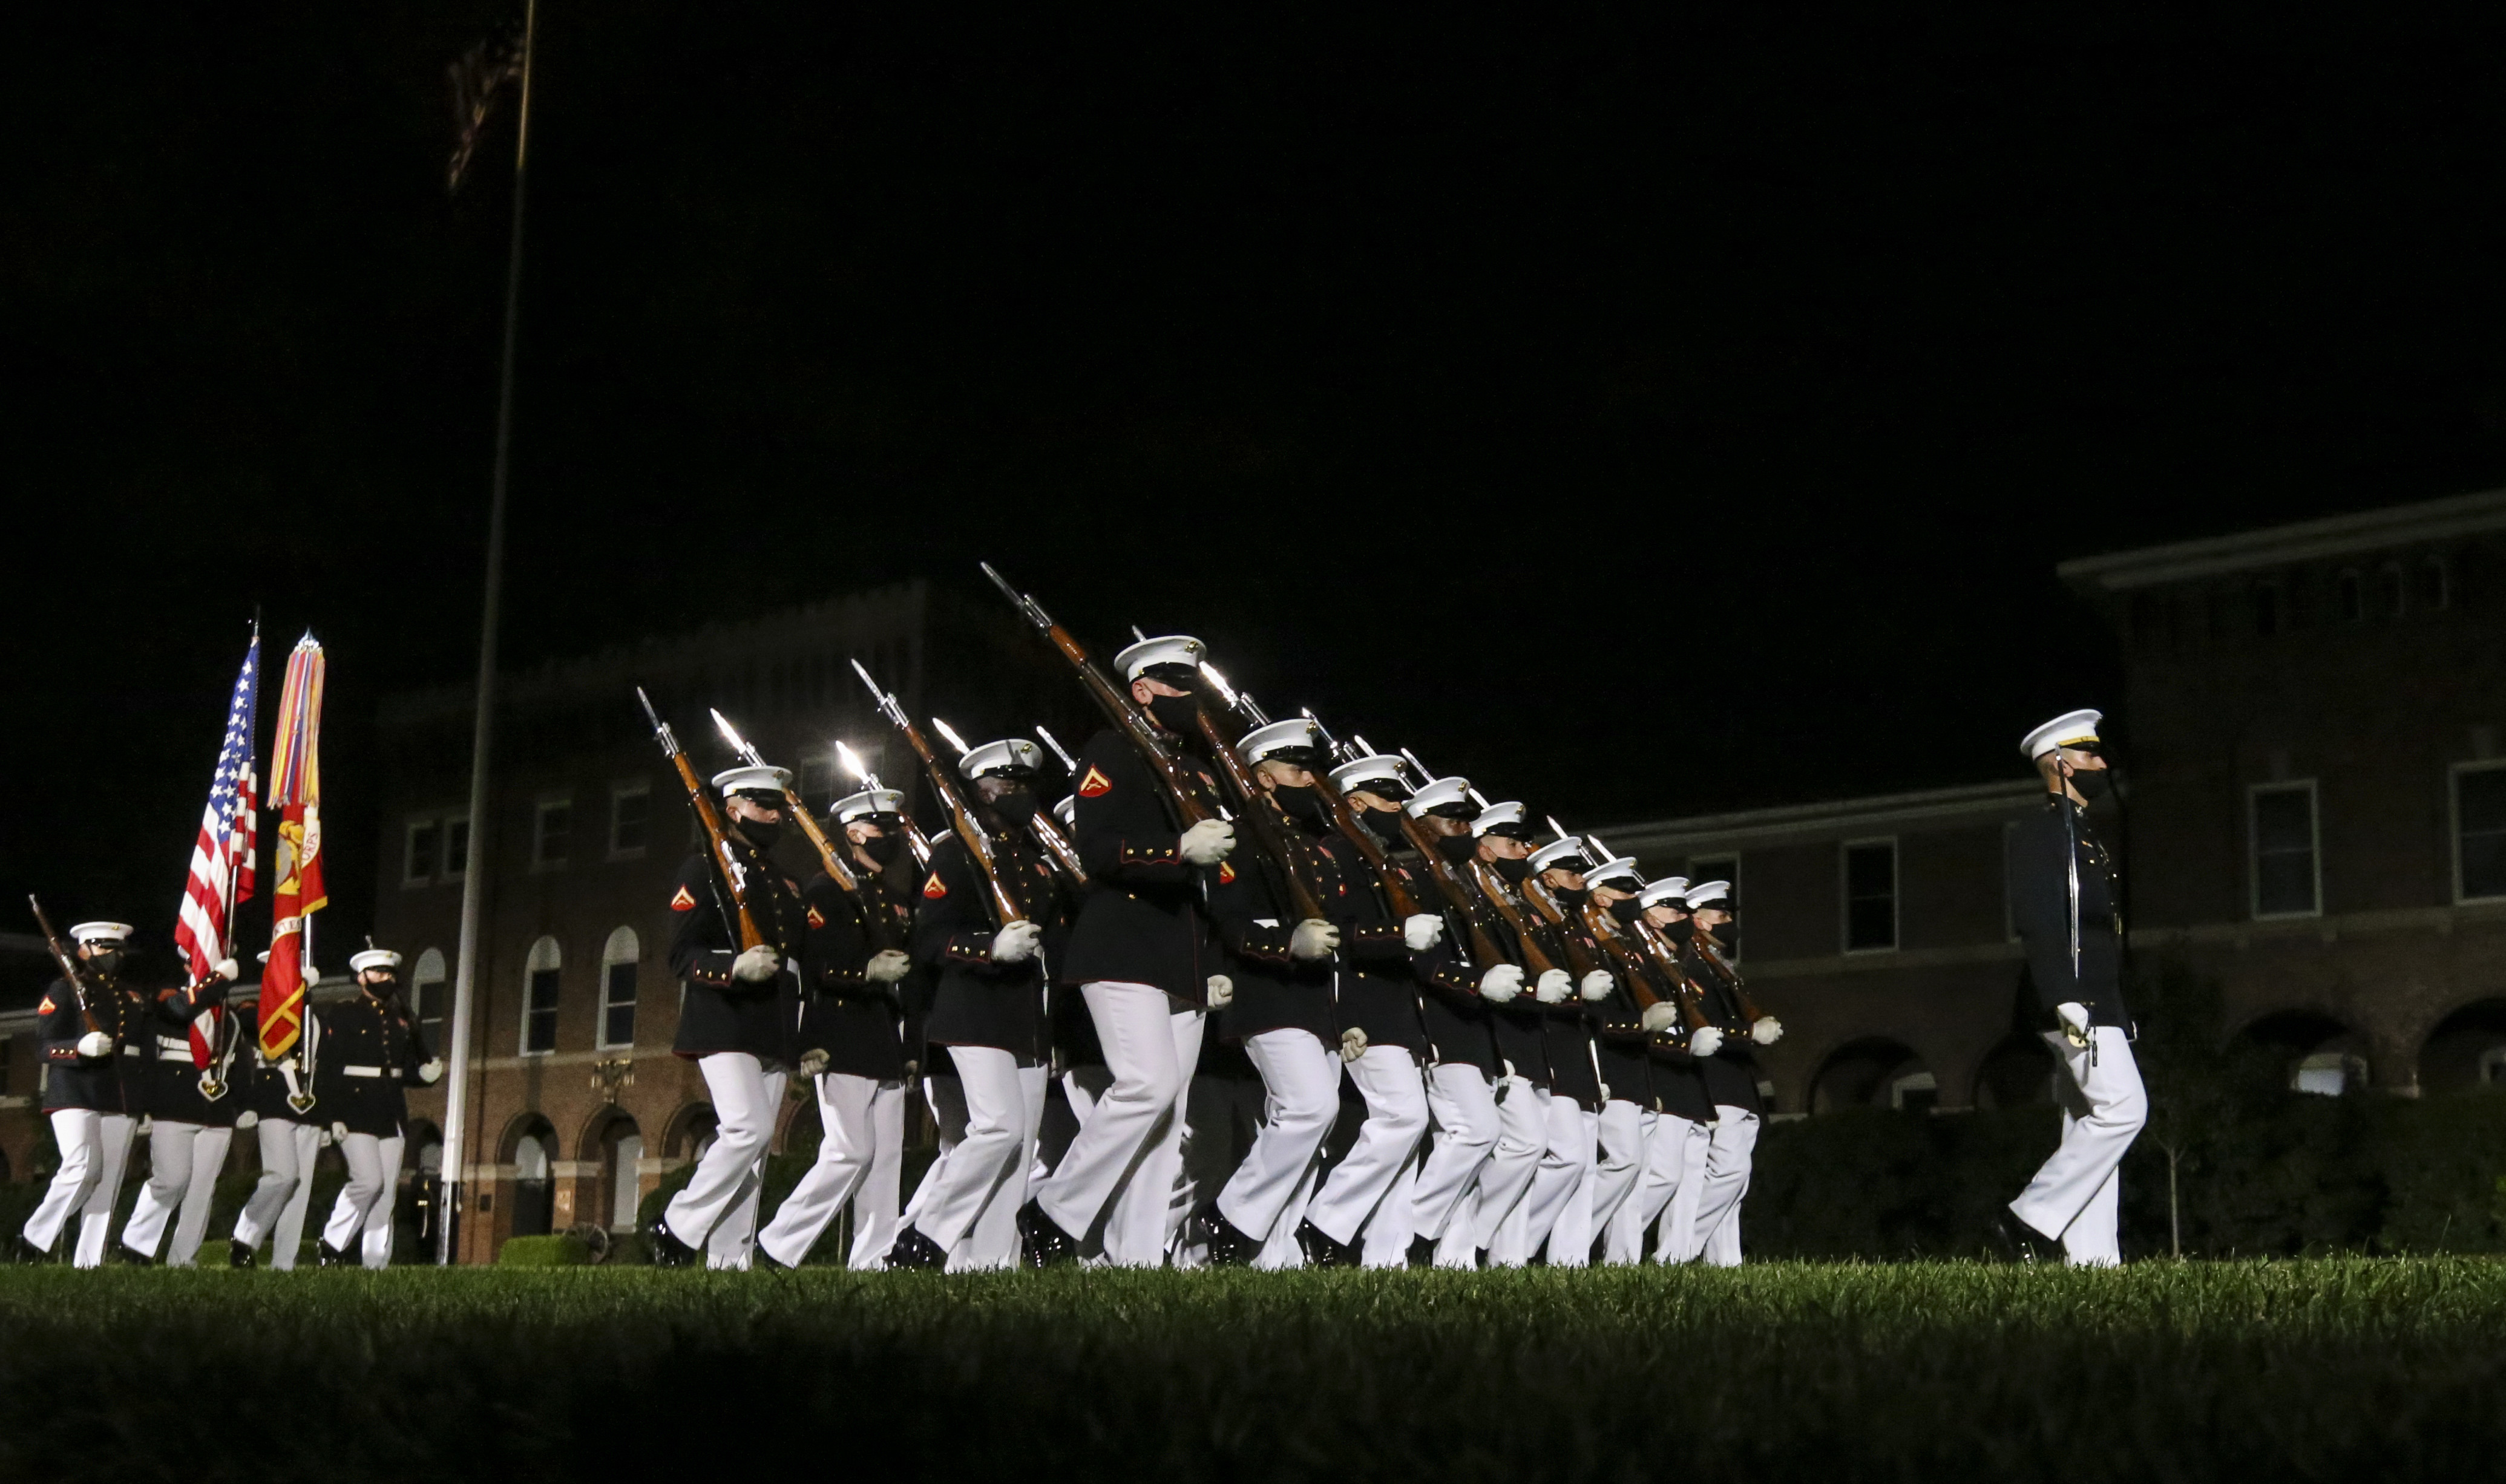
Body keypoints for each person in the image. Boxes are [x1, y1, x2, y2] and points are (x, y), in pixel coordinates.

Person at [1022, 634, 1238, 1267]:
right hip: (1121, 941)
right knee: (1146, 1083)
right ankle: (1054, 1210)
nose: (1187, 697)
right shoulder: (1111, 749)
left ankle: (1134, 1255)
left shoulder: (1197, 769)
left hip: (1183, 950)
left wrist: (1218, 964)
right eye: (1174, 684)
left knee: (1167, 1113)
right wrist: (1175, 852)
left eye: (1191, 684)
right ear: (1141, 691)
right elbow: (1095, 849)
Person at [888, 739, 1072, 1270]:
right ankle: (924, 1233)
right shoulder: (955, 853)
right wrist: (987, 947)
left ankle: (992, 1263)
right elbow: (927, 938)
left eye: (1025, 785)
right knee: (998, 1128)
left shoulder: (1037, 864)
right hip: (973, 1009)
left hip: (1027, 1018)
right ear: (980, 791)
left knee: (1020, 1151)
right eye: (1006, 785)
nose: (1018, 794)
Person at [1193, 717, 1349, 1269]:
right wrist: (1288, 941)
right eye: (1296, 769)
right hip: (1266, 992)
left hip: (1315, 998)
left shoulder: (1309, 845)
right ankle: (1232, 1214)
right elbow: (1230, 922)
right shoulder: (1241, 834)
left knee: (1312, 1126)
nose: (1309, 779)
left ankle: (1274, 1253)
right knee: (1310, 1107)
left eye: (1311, 769)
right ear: (1261, 777)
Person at [649, 763, 810, 1270]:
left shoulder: (781, 879)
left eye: (778, 806)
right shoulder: (702, 869)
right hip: (721, 1016)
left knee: (754, 1156)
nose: (774, 815)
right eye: (764, 805)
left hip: (770, 1023)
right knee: (748, 1128)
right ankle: (677, 1225)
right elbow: (680, 953)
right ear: (735, 808)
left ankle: (728, 1260)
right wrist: (732, 965)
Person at [1999, 708, 2144, 1267]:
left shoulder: (2083, 835)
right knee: (2124, 1109)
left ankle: (2093, 1260)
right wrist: (2065, 997)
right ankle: (2027, 1220)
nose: (2102, 764)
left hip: (2098, 998)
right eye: (2090, 755)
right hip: (2071, 999)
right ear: (2059, 763)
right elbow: (2039, 918)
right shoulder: (2040, 832)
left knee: (2087, 1121)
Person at [1298, 755, 1449, 1269]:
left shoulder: (1380, 861)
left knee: (1407, 1134)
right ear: (1356, 804)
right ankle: (1325, 1221)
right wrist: (1396, 934)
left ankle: (1386, 1254)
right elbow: (1337, 929)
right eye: (1388, 797)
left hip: (1396, 1004)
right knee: (1402, 1116)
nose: (1398, 806)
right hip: (1361, 1002)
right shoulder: (1334, 853)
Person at [758, 786, 917, 1270]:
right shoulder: (824, 890)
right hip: (842, 1032)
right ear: (853, 833)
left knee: (886, 1158)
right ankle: (778, 1243)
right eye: (880, 830)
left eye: (894, 830)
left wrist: (909, 1042)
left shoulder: (890, 897)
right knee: (850, 1150)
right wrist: (867, 971)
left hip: (884, 1034)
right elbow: (819, 965)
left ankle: (873, 1257)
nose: (890, 838)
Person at [1391, 773, 1520, 1269]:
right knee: (1477, 1131)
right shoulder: (1415, 879)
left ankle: (1450, 1253)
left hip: (1474, 1026)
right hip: (1440, 1022)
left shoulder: (1463, 882)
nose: (1464, 831)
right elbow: (1422, 960)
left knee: (1466, 1141)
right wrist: (1473, 985)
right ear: (1422, 827)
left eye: (1468, 823)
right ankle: (1415, 1232)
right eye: (1452, 822)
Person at [19, 923, 149, 1266]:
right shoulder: (63, 989)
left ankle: (90, 1261)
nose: (113, 956)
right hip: (75, 1089)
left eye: (117, 950)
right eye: (105, 949)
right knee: (81, 1169)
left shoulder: (129, 996)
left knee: (108, 1182)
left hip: (118, 1093)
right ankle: (34, 1239)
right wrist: (77, 1048)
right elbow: (43, 1047)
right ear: (84, 951)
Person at [313, 948, 442, 1267]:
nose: (387, 979)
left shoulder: (401, 1018)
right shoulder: (344, 1014)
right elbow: (328, 1067)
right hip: (354, 1108)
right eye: (379, 973)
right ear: (362, 978)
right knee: (368, 1181)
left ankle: (375, 1263)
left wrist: (423, 1076)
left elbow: (402, 1068)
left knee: (386, 1195)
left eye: (390, 974)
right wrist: (330, 1117)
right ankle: (332, 1243)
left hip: (391, 1108)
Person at [1679, 879, 1781, 1266]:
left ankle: (1724, 1261)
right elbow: (1704, 1024)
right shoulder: (1692, 964)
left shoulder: (1717, 965)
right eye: (1720, 916)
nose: (1727, 923)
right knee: (1728, 1171)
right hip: (1716, 1079)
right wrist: (1749, 1032)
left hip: (1735, 1081)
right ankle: (1679, 1251)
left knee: (1736, 1181)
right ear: (1700, 922)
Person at [120, 950, 244, 1266]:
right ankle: (137, 1246)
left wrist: (242, 1105)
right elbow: (181, 1010)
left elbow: (242, 1064)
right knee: (170, 1180)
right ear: (189, 963)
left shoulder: (229, 1014)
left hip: (217, 1108)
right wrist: (216, 980)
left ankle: (183, 1258)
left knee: (202, 1189)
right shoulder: (169, 999)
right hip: (173, 1103)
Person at [228, 956, 329, 1270]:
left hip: (309, 1103)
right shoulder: (256, 1010)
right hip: (273, 1098)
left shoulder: (317, 1017)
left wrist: (327, 1117)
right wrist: (247, 1104)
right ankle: (245, 1235)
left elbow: (323, 1068)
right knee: (283, 1176)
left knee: (301, 1188)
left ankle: (285, 1262)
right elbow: (253, 1040)